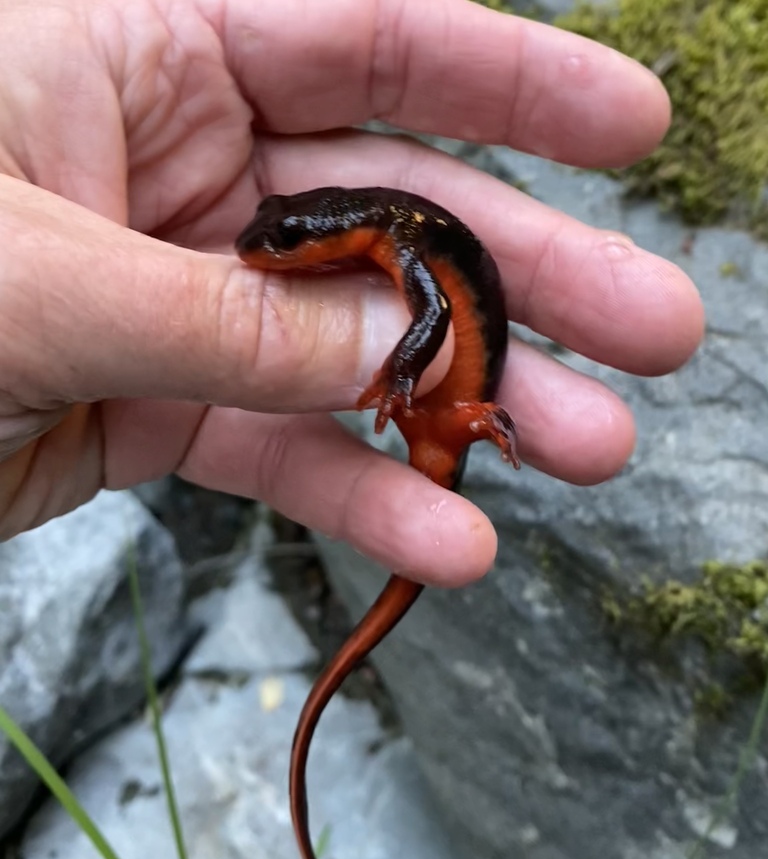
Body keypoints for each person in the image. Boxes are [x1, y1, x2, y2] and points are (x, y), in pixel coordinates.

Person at [0, 0, 703, 586]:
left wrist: (397, 368)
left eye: (287, 239)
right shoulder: (371, 237)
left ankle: (480, 422)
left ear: (342, 231)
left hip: (452, 413)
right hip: (427, 417)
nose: (264, 251)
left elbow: (435, 312)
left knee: (459, 434)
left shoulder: (401, 239)